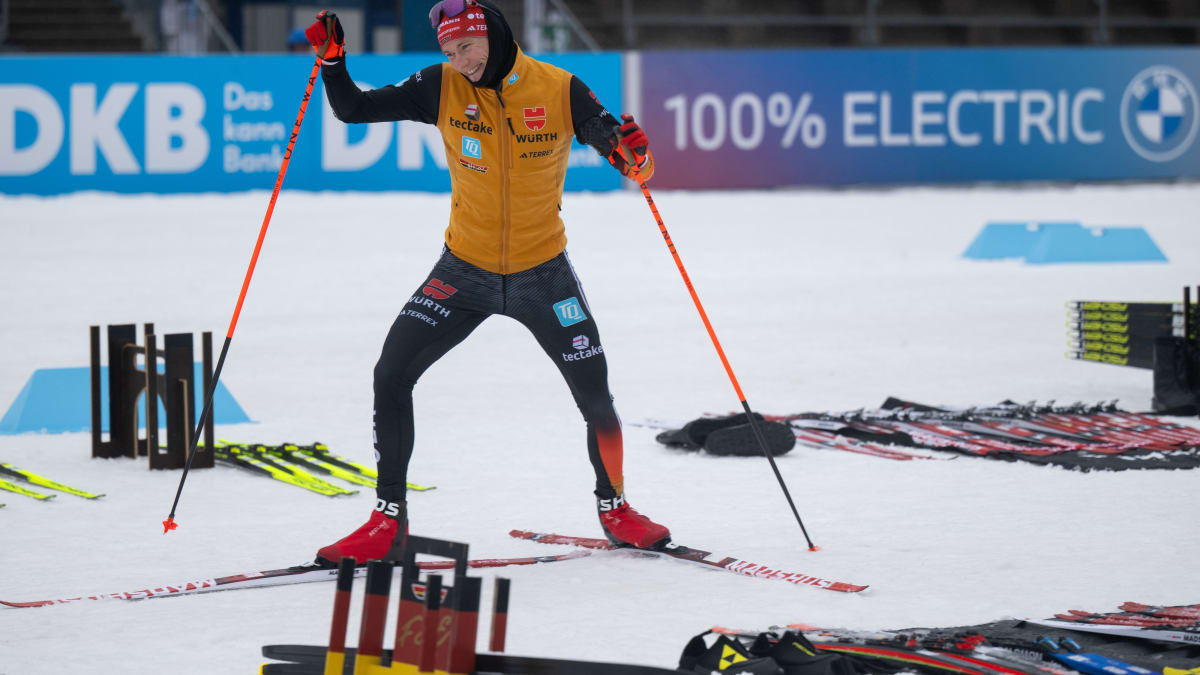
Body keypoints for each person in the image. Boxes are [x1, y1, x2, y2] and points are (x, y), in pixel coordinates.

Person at [304, 0, 671, 567]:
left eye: (466, 48)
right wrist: (333, 61)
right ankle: (388, 522)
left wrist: (639, 161)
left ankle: (616, 508)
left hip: (543, 274)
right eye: (450, 53)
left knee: (595, 393)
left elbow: (630, 163)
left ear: (492, 37)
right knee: (390, 374)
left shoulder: (559, 89)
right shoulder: (439, 86)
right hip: (462, 271)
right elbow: (353, 110)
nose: (461, 62)